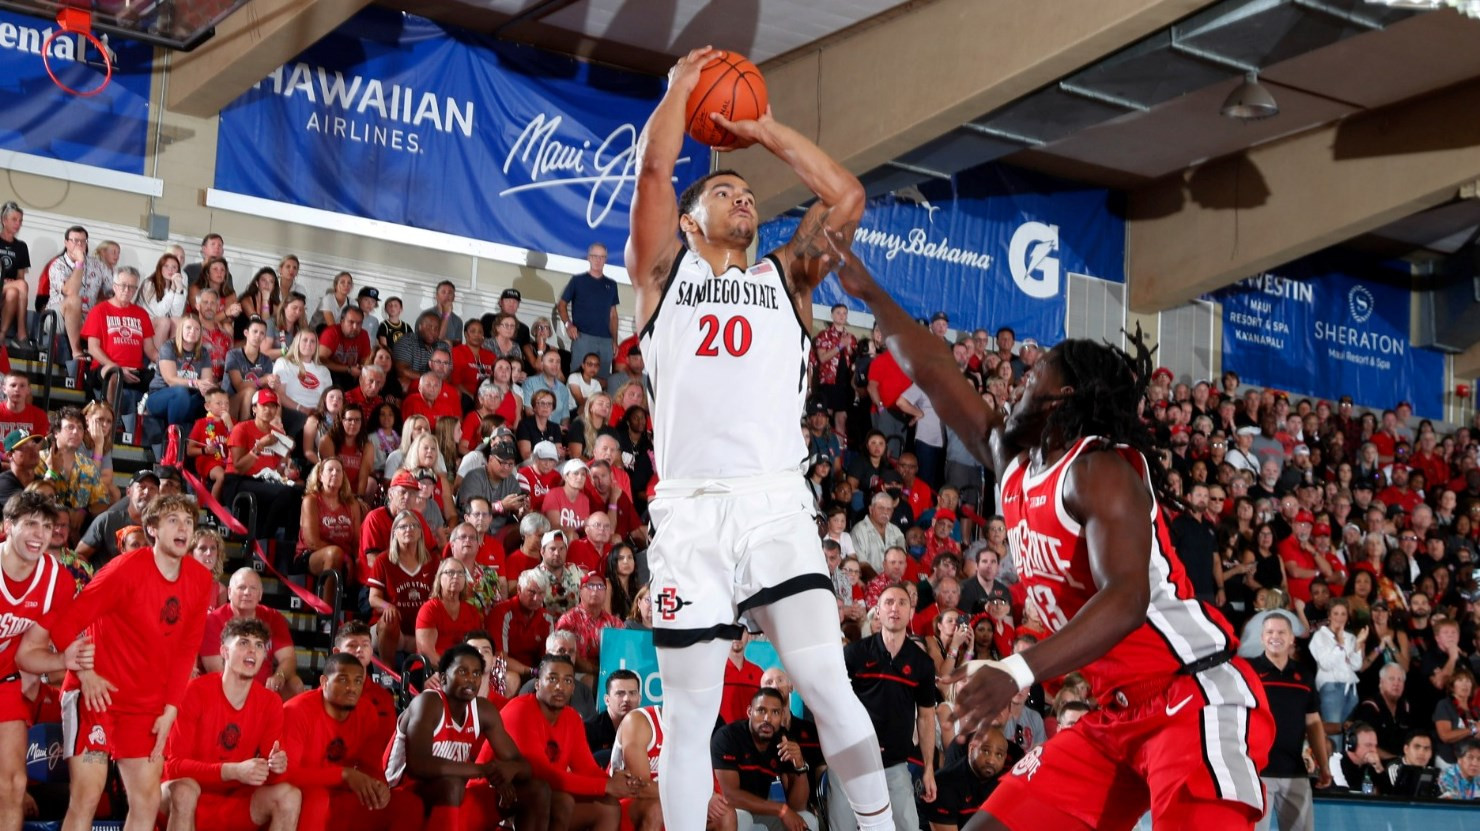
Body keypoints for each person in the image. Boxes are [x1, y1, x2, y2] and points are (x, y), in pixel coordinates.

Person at [833, 239, 1272, 830]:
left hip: (1190, 695)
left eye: (1035, 373)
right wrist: (869, 293)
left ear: (1061, 399)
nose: (1018, 382)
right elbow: (935, 371)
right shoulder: (1013, 465)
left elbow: (1126, 599)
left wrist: (1016, 671)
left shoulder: (1100, 470)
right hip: (1111, 716)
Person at [627, 46, 894, 831]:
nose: (742, 198)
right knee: (691, 709)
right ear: (689, 218)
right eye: (723, 189)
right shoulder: (661, 276)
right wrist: (680, 91)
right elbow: (652, 173)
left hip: (776, 503)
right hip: (688, 513)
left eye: (748, 193)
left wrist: (766, 130)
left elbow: (846, 196)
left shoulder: (788, 277)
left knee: (826, 683)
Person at [17, 493, 212, 831]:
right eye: (172, 521)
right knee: (87, 796)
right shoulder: (125, 569)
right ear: (151, 529)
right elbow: (65, 624)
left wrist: (171, 709)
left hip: (146, 703)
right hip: (96, 696)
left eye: (188, 522)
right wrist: (86, 674)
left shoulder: (200, 579)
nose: (183, 528)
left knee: (147, 801)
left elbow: (186, 650)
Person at [384, 644, 550, 830]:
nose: (471, 679)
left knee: (537, 790)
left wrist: (506, 771)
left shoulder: (483, 710)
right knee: (452, 785)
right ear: (444, 677)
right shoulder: (427, 702)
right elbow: (419, 765)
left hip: (453, 797)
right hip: (402, 795)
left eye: (476, 673)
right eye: (463, 672)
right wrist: (484, 771)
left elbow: (523, 767)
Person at [0, 493, 90, 831]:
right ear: (8, 527)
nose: (40, 534)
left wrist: (62, 659)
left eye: (47, 526)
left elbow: (28, 652)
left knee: (12, 783)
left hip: (5, 676)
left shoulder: (57, 581)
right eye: (31, 524)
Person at [160, 618, 300, 831]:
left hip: (236, 799)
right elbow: (174, 767)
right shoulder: (194, 691)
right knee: (185, 791)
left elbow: (270, 772)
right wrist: (232, 771)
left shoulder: (271, 702)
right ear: (224, 652)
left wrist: (276, 767)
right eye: (244, 643)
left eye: (259, 645)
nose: (252, 650)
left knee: (289, 795)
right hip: (185, 795)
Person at [499, 654, 640, 829]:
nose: (560, 686)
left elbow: (587, 768)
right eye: (552, 679)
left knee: (609, 807)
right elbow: (541, 773)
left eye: (567, 681)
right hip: (500, 793)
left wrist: (621, 785)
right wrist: (606, 785)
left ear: (573, 687)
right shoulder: (519, 710)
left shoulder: (572, 717)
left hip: (545, 795)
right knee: (560, 800)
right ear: (537, 684)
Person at [838, 583, 937, 830]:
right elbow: (835, 703)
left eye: (902, 602)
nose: (895, 608)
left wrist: (928, 768)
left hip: (894, 763)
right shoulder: (855, 653)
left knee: (909, 826)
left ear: (911, 613)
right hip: (851, 760)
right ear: (878, 612)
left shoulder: (922, 662)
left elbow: (925, 718)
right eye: (889, 602)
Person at [281, 653, 401, 831]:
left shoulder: (367, 711)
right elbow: (286, 774)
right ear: (324, 682)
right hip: (302, 789)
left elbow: (372, 766)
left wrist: (379, 786)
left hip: (340, 789)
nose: (351, 688)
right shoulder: (296, 711)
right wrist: (343, 774)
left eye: (358, 681)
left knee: (406, 803)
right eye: (343, 680)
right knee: (318, 798)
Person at [1248, 610, 1329, 831]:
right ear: (1262, 637)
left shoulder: (1304, 676)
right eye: (1270, 632)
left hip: (1296, 774)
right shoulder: (1247, 672)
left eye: (1282, 632)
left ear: (1292, 638)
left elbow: (1313, 723)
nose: (1276, 636)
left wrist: (1324, 766)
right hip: (1256, 774)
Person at [199, 568, 303, 700]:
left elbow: (288, 658)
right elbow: (217, 671)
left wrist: (279, 675)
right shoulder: (213, 620)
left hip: (266, 687)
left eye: (253, 588)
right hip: (229, 687)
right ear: (230, 593)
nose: (247, 592)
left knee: (295, 684)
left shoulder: (273, 617)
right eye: (241, 587)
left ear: (260, 595)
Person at [82, 266, 158, 404]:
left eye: (132, 287)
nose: (127, 290)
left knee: (163, 379)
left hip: (136, 370)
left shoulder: (142, 314)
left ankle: (148, 421)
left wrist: (170, 364)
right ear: (114, 286)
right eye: (123, 285)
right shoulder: (99, 311)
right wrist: (118, 368)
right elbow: (93, 348)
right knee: (114, 374)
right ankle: (112, 418)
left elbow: (151, 351)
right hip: (105, 368)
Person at [925, 728, 1009, 831]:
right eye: (986, 751)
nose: (991, 761)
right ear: (971, 749)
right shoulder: (944, 785)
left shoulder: (1005, 785)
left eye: (999, 755)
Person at [50, 225, 112, 364]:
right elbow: (70, 292)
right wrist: (79, 264)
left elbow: (113, 291)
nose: (79, 245)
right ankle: (76, 351)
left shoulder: (98, 265)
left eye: (82, 241)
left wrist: (102, 300)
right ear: (66, 243)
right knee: (74, 300)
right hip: (58, 314)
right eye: (75, 241)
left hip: (89, 314)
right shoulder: (57, 265)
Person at [558, 244, 620, 383]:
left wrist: (614, 340)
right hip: (583, 337)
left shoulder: (611, 285)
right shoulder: (577, 281)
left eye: (602, 257)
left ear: (605, 260)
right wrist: (568, 325)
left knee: (602, 381)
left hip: (605, 341)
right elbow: (561, 305)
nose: (598, 260)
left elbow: (613, 315)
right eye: (595, 256)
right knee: (577, 378)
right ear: (589, 258)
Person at [585, 669, 640, 769]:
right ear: (607, 700)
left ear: (639, 699)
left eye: (632, 693)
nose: (627, 698)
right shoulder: (588, 730)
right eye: (620, 693)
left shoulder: (648, 729)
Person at [0, 202, 31, 347]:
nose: (18, 224)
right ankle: (22, 333)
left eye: (20, 221)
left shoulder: (21, 247)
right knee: (21, 285)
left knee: (14, 292)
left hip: (7, 292)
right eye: (14, 219)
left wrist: (11, 283)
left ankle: (2, 334)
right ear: (4, 220)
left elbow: (20, 278)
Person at [1329, 722, 1390, 794]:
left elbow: (1390, 795)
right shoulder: (1335, 761)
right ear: (1352, 744)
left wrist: (1379, 768)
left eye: (1375, 746)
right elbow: (1342, 795)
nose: (1373, 750)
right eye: (1368, 745)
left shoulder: (1374, 765)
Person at [0, 372, 50, 438]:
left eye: (22, 386)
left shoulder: (40, 416)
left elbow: (40, 444)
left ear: (28, 390)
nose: (17, 389)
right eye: (13, 385)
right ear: (4, 389)